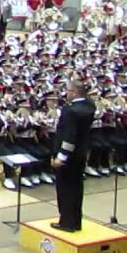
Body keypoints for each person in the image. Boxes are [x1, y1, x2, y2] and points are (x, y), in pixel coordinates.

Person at [51, 82, 95, 232]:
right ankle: (76, 221)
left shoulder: (70, 110)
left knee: (65, 189)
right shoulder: (90, 105)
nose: (66, 94)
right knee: (77, 188)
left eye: (68, 91)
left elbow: (69, 136)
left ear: (75, 93)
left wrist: (61, 157)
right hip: (81, 153)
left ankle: (67, 222)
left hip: (68, 156)